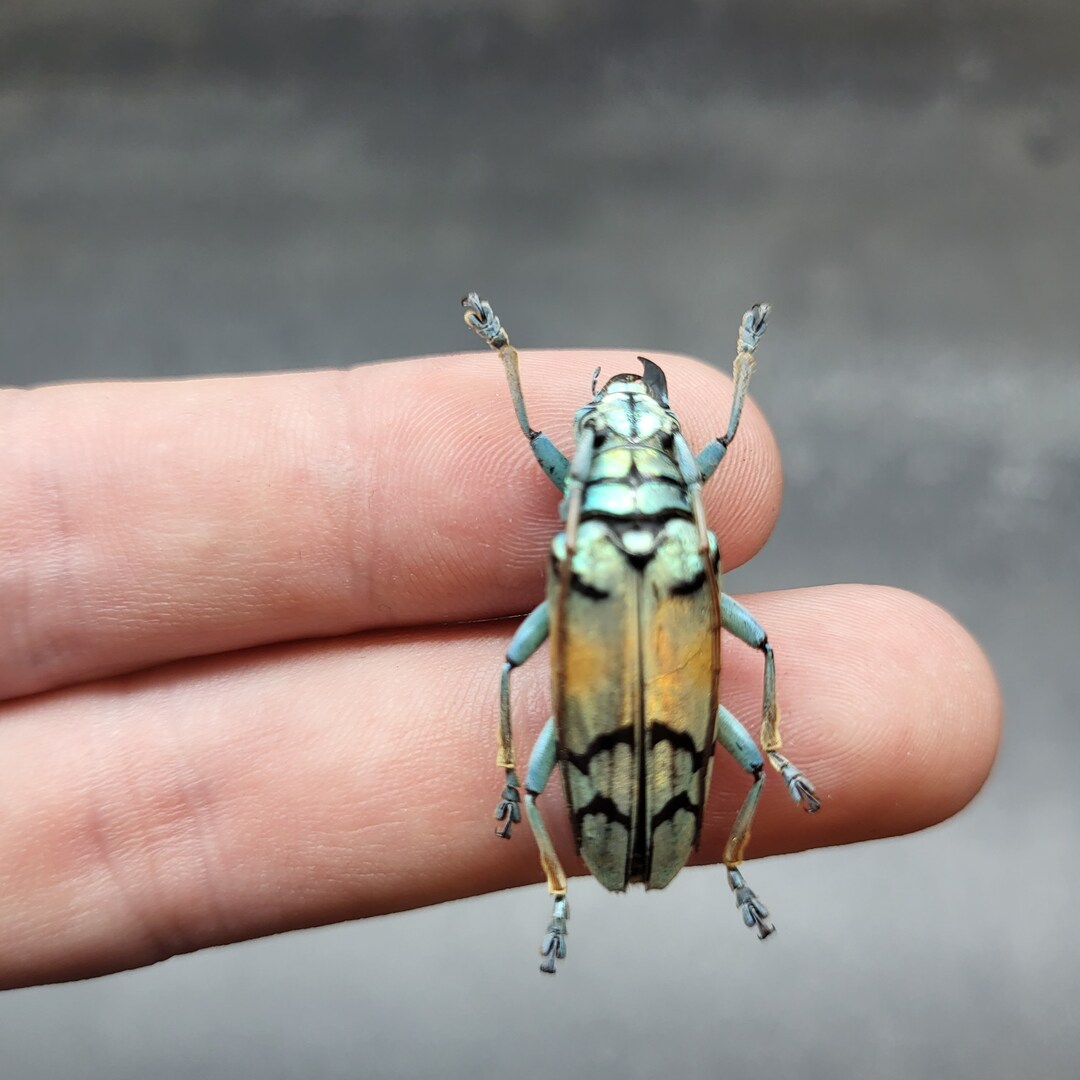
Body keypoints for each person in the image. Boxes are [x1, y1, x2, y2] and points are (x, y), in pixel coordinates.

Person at [0, 347, 1000, 988]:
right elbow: (714, 447)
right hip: (629, 721)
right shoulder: (689, 554)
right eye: (618, 421)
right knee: (720, 667)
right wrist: (737, 362)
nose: (625, 419)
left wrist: (511, 352)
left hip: (621, 705)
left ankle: (712, 853)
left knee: (727, 664)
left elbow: (612, 447)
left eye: (628, 420)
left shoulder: (581, 555)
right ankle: (585, 880)